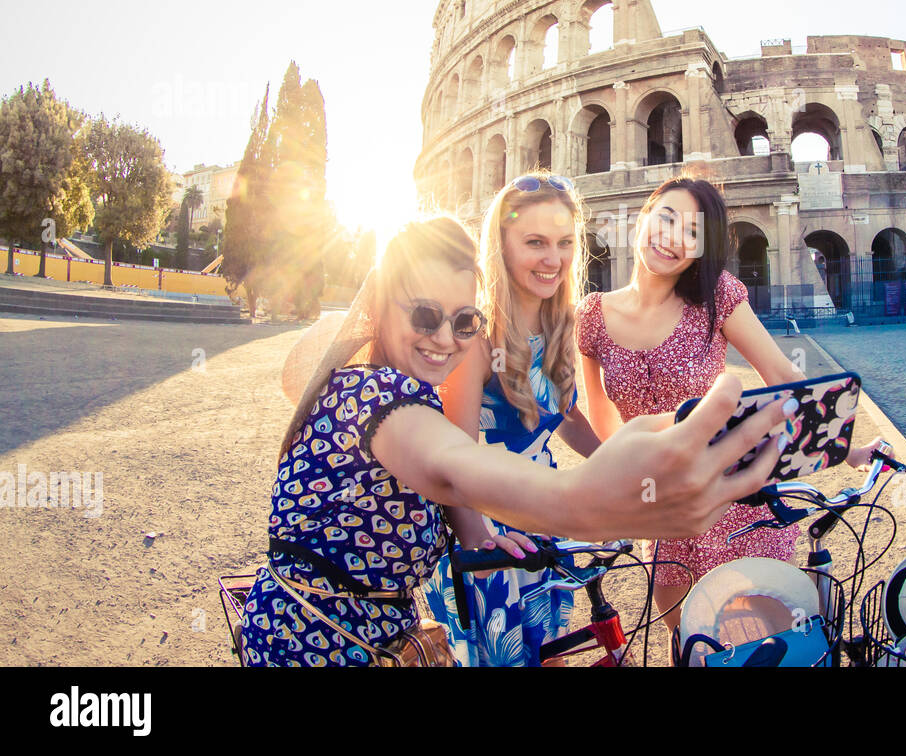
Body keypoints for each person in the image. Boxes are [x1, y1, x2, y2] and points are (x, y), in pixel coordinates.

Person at [237, 215, 797, 666]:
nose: (444, 339)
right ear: (379, 306)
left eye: (463, 321)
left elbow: (526, 435)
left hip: (371, 632)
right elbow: (453, 466)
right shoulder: (378, 396)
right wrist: (605, 500)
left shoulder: (391, 388)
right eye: (425, 315)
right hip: (315, 643)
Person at [576, 177, 882, 634]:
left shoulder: (717, 295)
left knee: (763, 642)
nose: (675, 237)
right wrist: (613, 481)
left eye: (694, 233)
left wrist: (845, 448)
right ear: (644, 215)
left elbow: (784, 378)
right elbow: (601, 416)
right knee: (689, 641)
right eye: (667, 217)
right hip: (661, 508)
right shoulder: (593, 314)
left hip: (736, 498)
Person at [425, 173, 604, 666]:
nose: (554, 259)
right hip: (486, 526)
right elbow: (451, 464)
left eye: (566, 243)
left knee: (548, 654)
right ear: (501, 246)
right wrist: (481, 548)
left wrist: (622, 466)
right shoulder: (474, 339)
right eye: (535, 243)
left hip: (540, 510)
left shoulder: (559, 322)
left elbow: (566, 416)